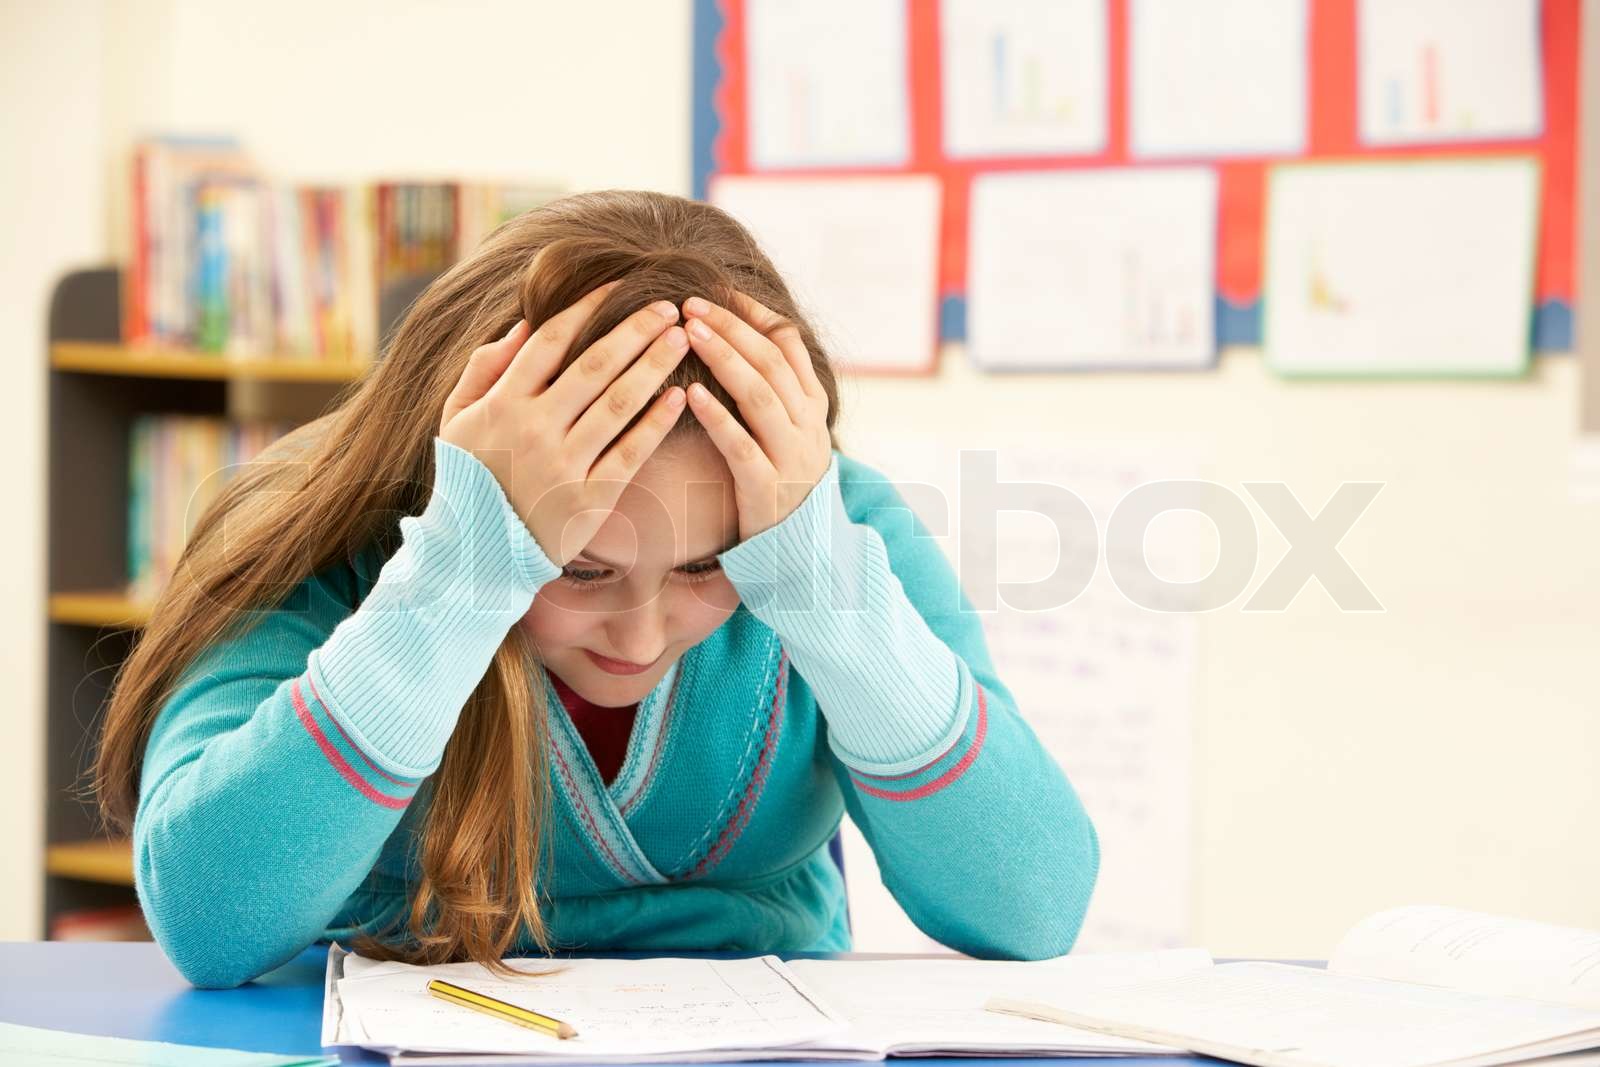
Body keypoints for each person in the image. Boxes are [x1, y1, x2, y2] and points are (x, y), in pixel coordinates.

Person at [93, 190, 1099, 989]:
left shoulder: (838, 535)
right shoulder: (324, 532)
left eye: (710, 564)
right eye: (580, 568)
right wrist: (462, 575)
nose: (644, 631)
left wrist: (817, 580)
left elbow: (1032, 907)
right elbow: (207, 920)